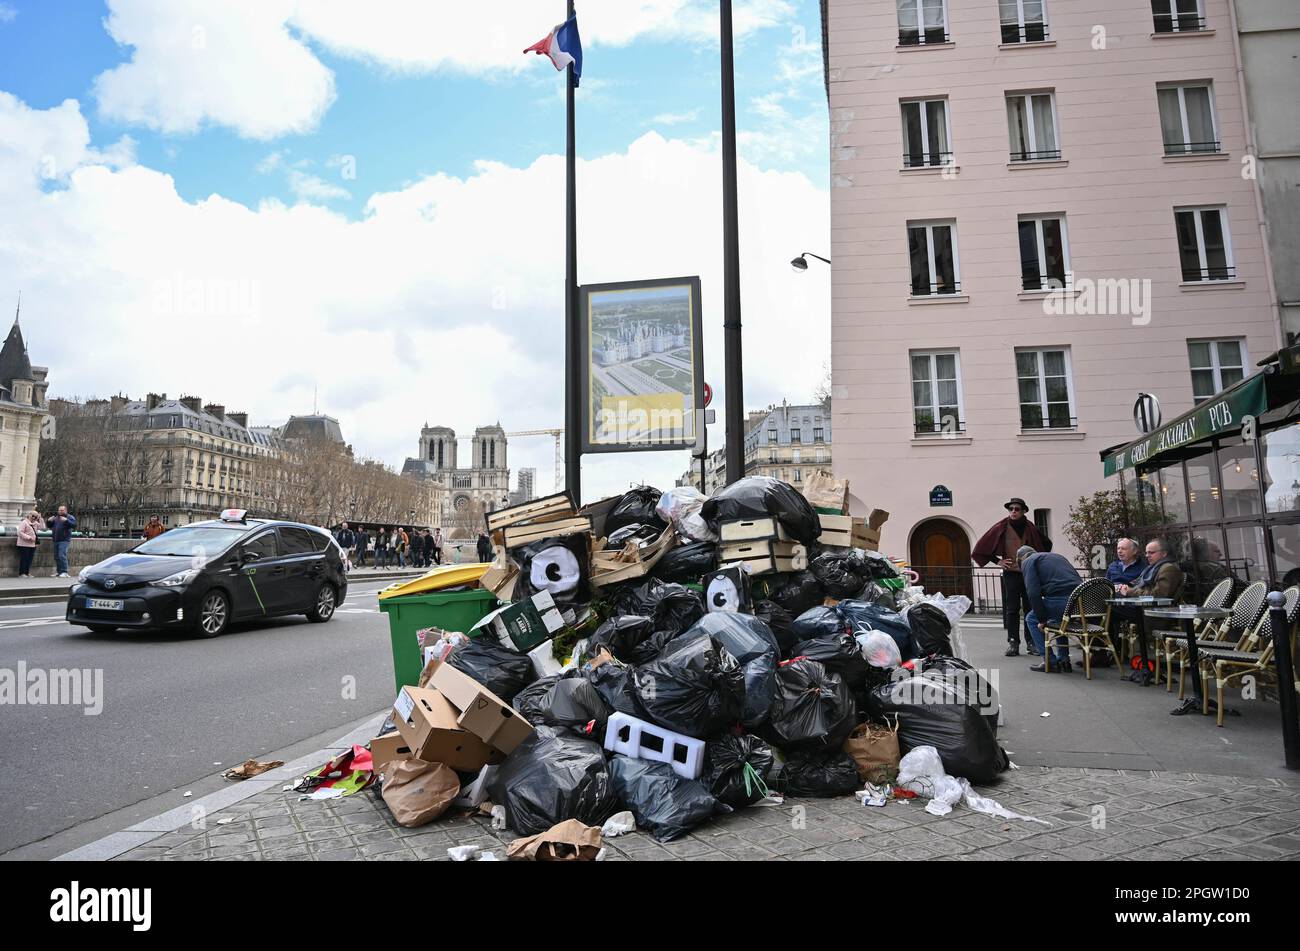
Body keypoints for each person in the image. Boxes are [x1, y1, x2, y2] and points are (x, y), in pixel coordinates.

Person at [972, 497, 1052, 657]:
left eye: (1016, 509)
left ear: (1023, 511)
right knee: (1012, 608)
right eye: (1011, 509)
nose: (1013, 511)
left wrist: (1035, 561)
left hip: (1029, 573)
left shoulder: (1031, 527)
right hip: (1011, 573)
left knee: (1031, 608)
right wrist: (998, 561)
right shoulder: (1001, 526)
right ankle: (1013, 642)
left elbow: (1046, 545)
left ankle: (1032, 643)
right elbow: (981, 548)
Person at [1019, 545, 1083, 673]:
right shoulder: (1056, 556)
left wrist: (1042, 619)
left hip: (1061, 600)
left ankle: (1049, 661)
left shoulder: (1028, 561)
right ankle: (1064, 659)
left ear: (1021, 559)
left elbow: (1033, 593)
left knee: (1031, 618)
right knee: (1058, 617)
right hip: (1080, 600)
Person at [1117, 538, 1184, 601]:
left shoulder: (1169, 569)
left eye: (1151, 553)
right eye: (1146, 553)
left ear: (1164, 554)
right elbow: (1135, 583)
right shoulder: (1151, 568)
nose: (1147, 555)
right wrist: (1123, 587)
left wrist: (1130, 592)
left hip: (1155, 610)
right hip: (1142, 605)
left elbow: (1158, 596)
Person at [46, 505, 78, 578]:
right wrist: (48, 521)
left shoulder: (70, 517)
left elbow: (74, 525)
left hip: (64, 539)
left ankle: (64, 572)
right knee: (57, 557)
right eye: (59, 510)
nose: (60, 512)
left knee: (62, 555)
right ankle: (59, 572)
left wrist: (66, 521)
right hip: (56, 539)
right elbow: (49, 526)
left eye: (62, 510)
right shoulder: (56, 518)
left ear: (65, 511)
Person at [17, 511, 39, 578]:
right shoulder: (24, 523)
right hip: (24, 544)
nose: (34, 517)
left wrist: (40, 519)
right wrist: (29, 538)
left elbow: (43, 527)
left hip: (32, 544)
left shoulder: (35, 523)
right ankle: (22, 573)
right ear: (29, 515)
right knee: (24, 559)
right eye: (33, 515)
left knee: (29, 559)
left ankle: (27, 572)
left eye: (35, 516)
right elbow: (20, 532)